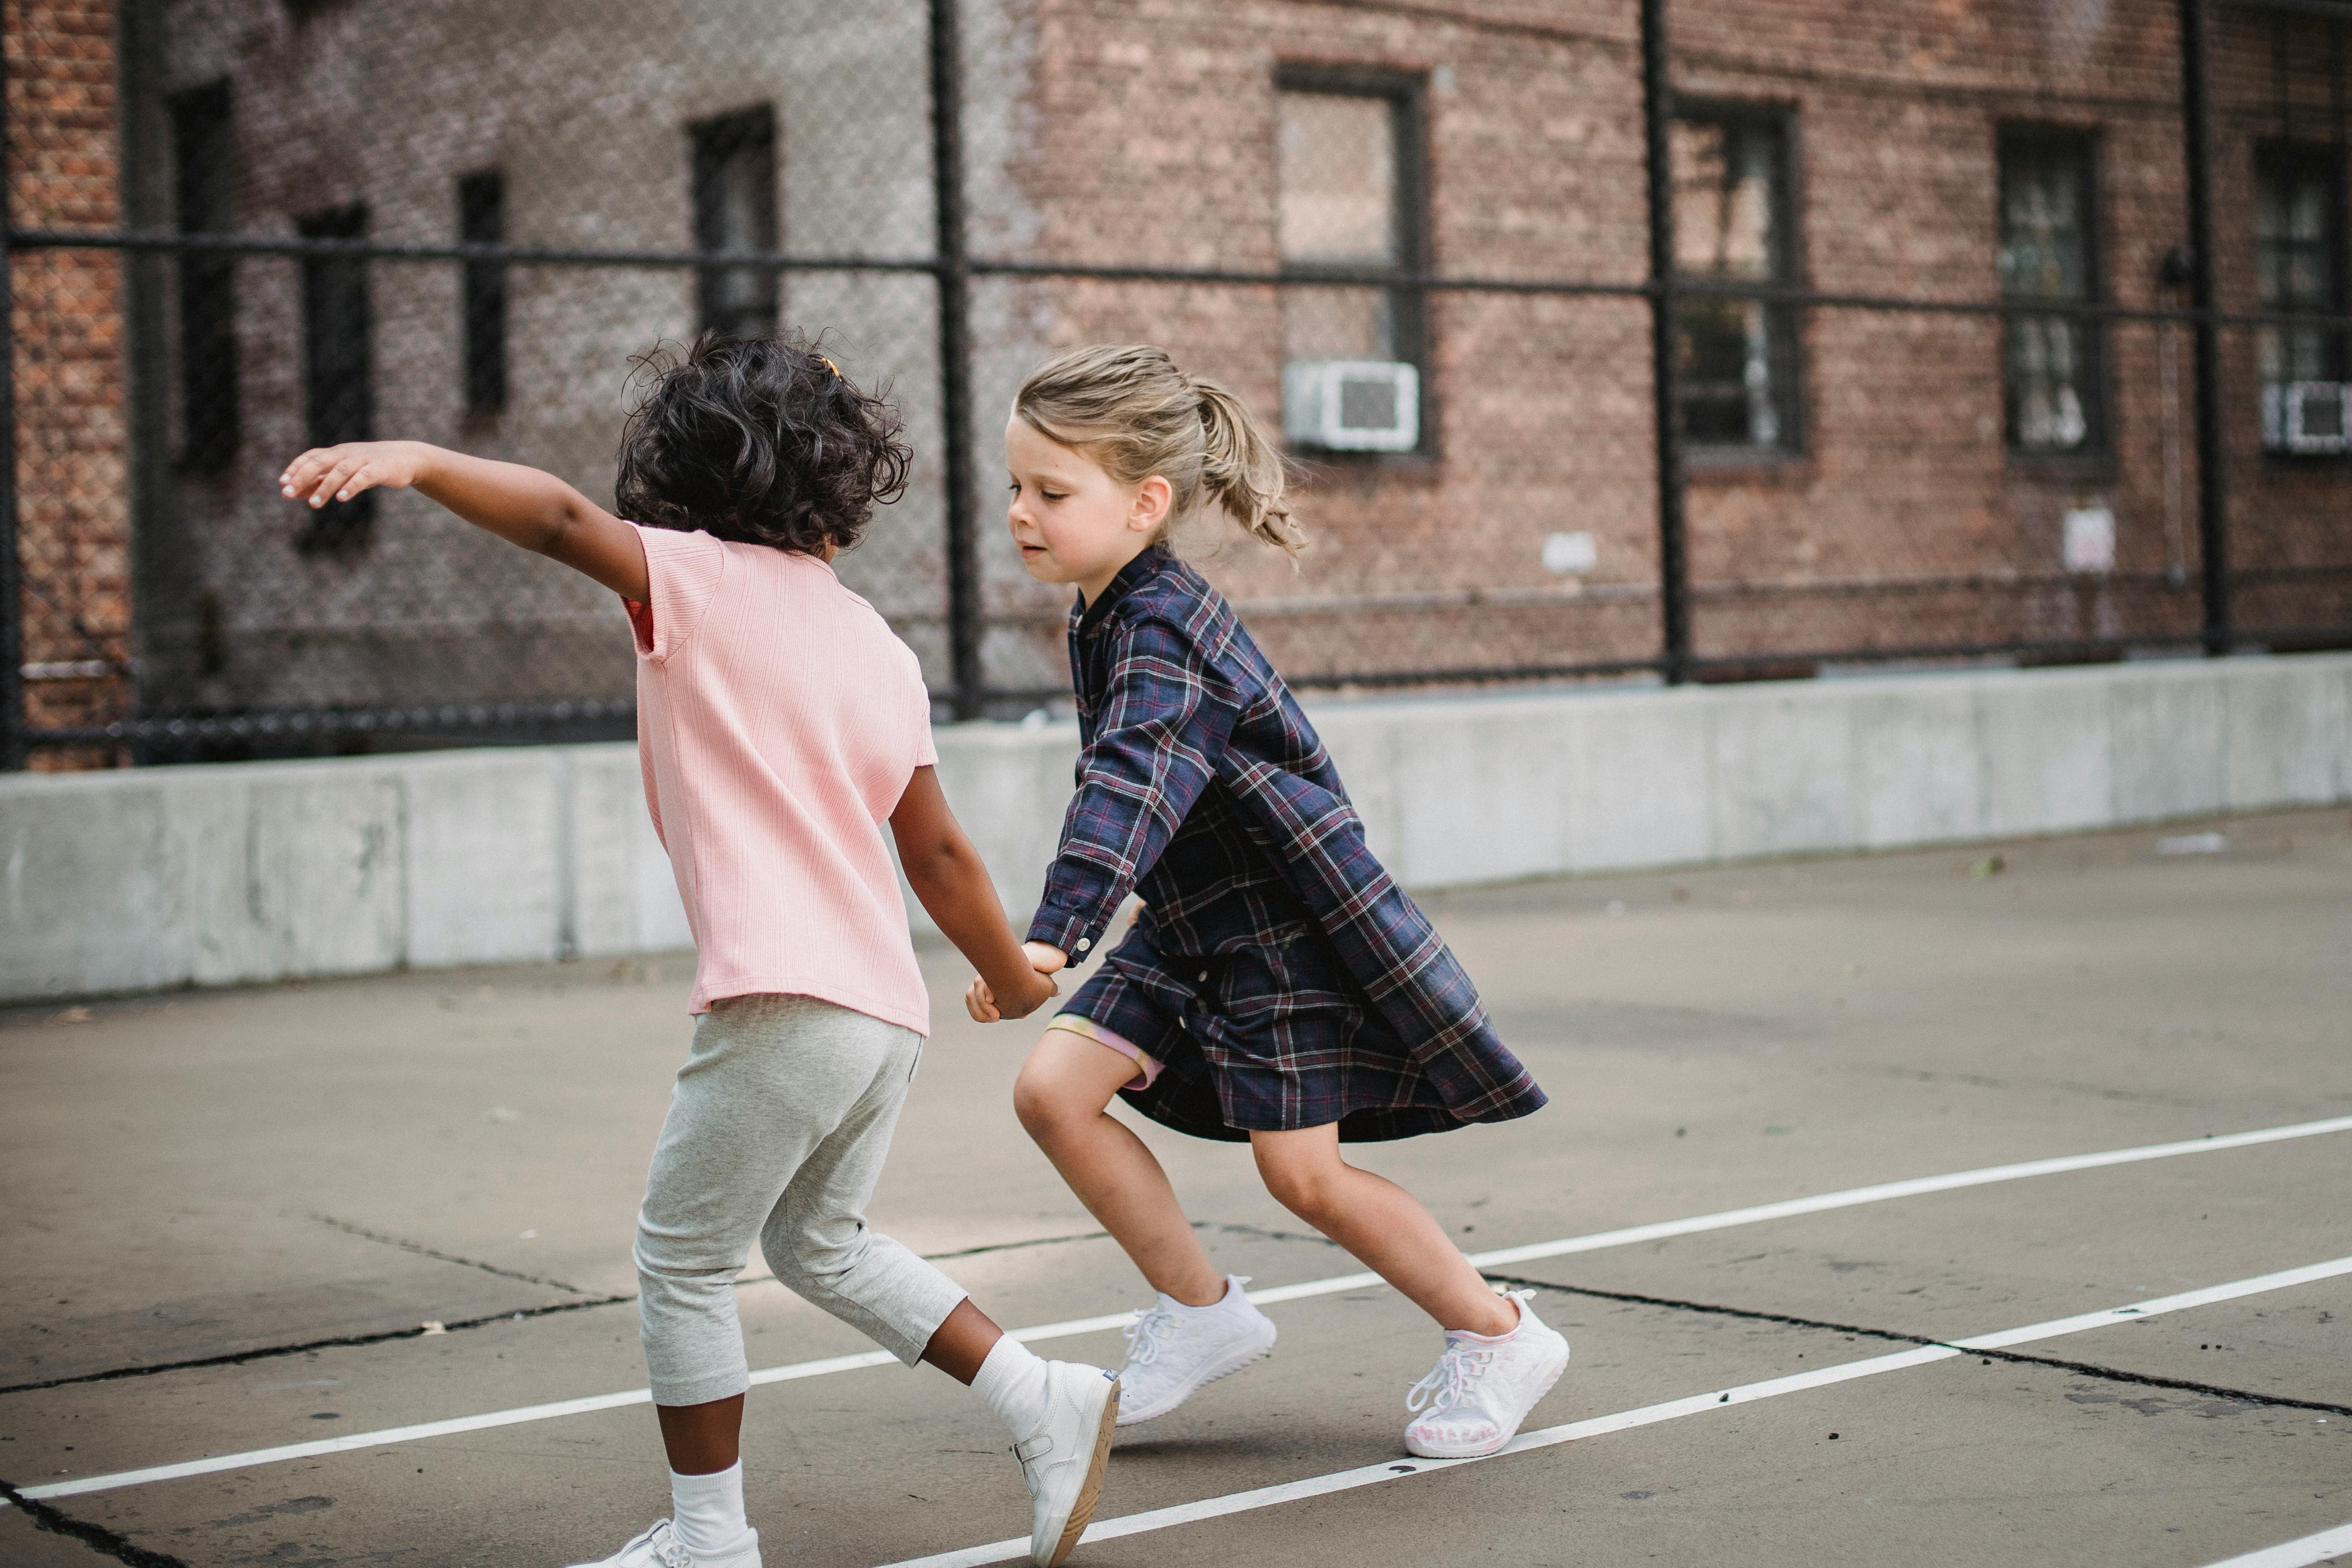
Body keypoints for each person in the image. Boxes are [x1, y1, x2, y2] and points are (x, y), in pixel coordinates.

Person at [278, 333, 1118, 1568]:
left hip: (784, 1001)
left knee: (677, 1261)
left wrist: (418, 461)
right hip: (882, 1011)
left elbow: (562, 518)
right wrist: (1005, 973)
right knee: (816, 1243)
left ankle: (709, 1541)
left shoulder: (688, 578)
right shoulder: (879, 650)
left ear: (686, 478)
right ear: (837, 489)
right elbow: (936, 854)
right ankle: (1038, 1397)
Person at [966, 343, 1567, 1461]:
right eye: (1014, 486)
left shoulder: (1161, 625)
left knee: (1303, 1173)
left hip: (1274, 934)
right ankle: (1203, 1312)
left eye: (1052, 491)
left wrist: (1054, 932)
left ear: (1148, 502)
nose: (1021, 512)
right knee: (1054, 1091)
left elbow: (1132, 779)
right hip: (1190, 924)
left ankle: (1499, 1330)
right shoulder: (1106, 607)